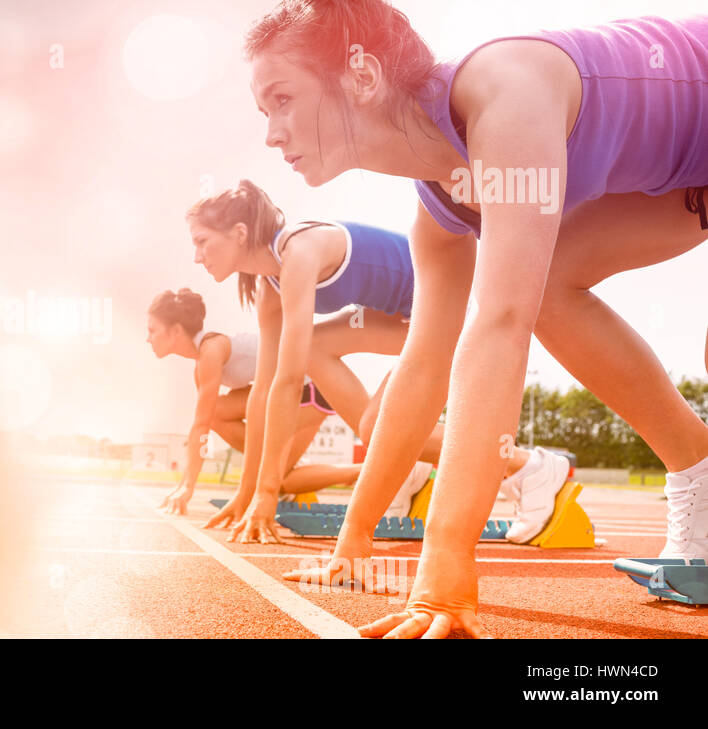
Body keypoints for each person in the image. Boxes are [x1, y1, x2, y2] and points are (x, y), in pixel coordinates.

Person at [243, 0, 708, 638]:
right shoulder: (440, 208)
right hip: (685, 171)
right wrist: (353, 543)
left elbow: (498, 327)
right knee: (547, 286)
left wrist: (445, 570)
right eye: (263, 112)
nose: (271, 133)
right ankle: (699, 471)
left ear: (362, 75)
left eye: (283, 98)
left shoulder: (505, 93)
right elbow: (423, 368)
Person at [185, 181, 565, 542]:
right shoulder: (270, 286)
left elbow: (288, 382)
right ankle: (409, 468)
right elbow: (263, 391)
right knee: (327, 363)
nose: (197, 256)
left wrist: (268, 494)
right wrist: (247, 491)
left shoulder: (298, 253)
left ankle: (528, 466)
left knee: (376, 429)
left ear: (238, 233)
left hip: (444, 305)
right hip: (403, 316)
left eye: (202, 242)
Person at [145, 288, 363, 516]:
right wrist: (182, 485)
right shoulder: (201, 364)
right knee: (217, 414)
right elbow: (201, 427)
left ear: (176, 331)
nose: (148, 338)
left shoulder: (211, 350)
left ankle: (363, 471)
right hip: (285, 390)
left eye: (152, 330)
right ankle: (274, 469)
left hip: (312, 389)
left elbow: (201, 425)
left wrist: (188, 488)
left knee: (278, 480)